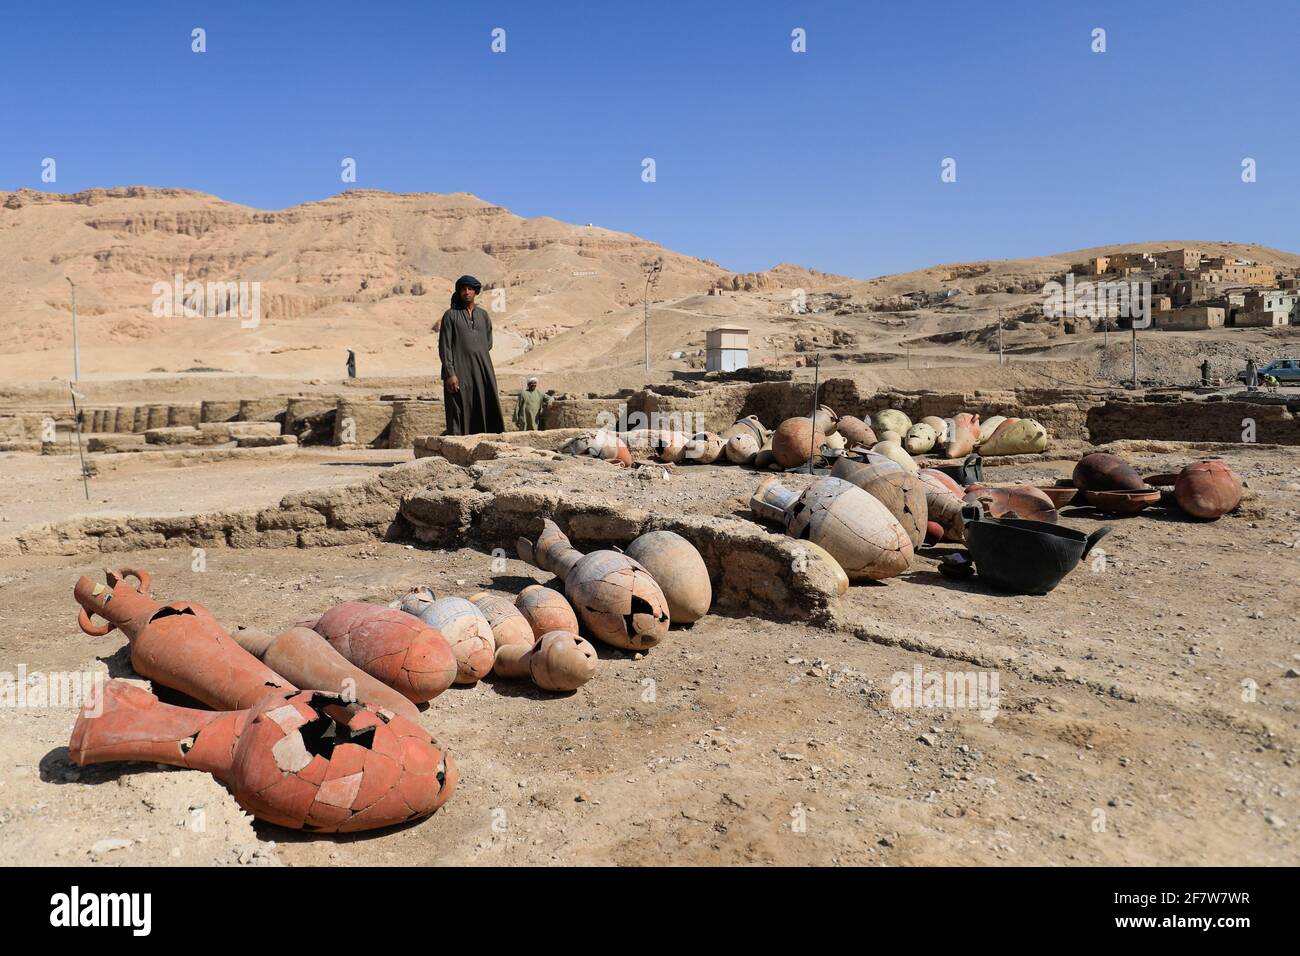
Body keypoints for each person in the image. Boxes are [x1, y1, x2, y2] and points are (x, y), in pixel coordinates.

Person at [438, 275, 505, 435]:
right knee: (459, 408)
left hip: (482, 369)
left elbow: (487, 343)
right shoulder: (450, 315)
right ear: (459, 292)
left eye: (470, 289)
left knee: (485, 403)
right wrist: (450, 373)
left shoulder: (483, 315)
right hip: (459, 371)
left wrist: (476, 355)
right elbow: (444, 346)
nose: (466, 292)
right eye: (463, 289)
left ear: (475, 292)